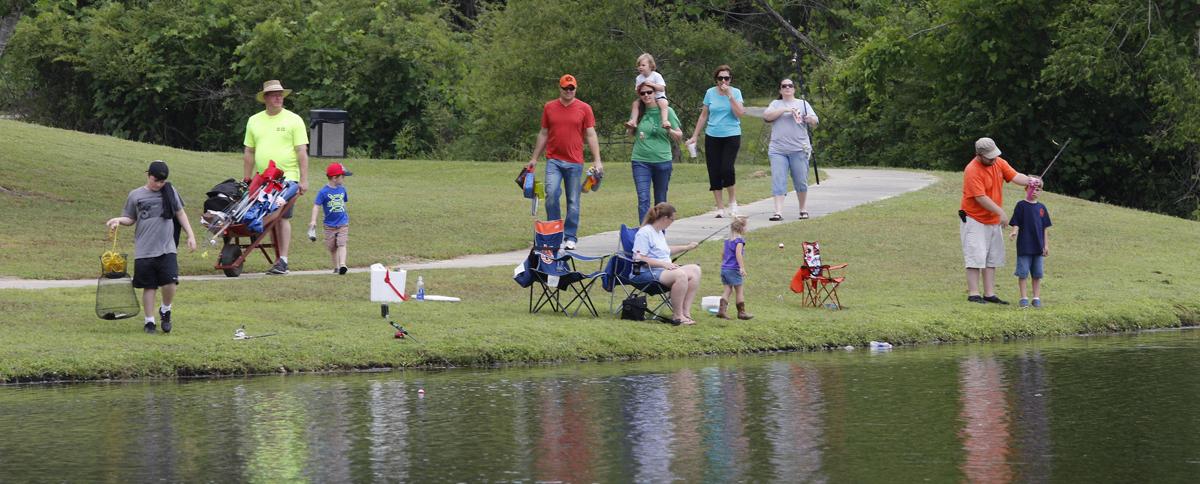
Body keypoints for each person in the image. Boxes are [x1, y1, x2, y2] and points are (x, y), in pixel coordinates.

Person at [106, 160, 197, 334]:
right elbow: (130, 218)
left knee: (170, 282)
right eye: (156, 181)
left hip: (166, 247)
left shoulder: (170, 192)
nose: (159, 185)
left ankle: (165, 309)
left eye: (162, 182)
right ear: (149, 176)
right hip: (144, 249)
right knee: (149, 286)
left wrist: (191, 235)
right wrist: (118, 220)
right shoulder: (135, 195)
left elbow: (180, 213)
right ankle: (149, 322)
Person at [526, 74, 605, 250]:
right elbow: (544, 133)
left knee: (573, 200)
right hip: (554, 160)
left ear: (575, 88)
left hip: (575, 162)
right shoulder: (549, 107)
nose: (569, 91)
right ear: (560, 88)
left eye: (572, 88)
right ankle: (555, 234)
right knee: (552, 194)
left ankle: (570, 236)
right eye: (566, 88)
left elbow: (591, 135)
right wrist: (534, 158)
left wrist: (597, 160)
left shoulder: (584, 108)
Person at [243, 79, 309, 275]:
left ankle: (283, 260)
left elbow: (301, 151)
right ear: (266, 98)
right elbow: (249, 151)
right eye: (274, 94)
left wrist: (304, 180)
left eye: (280, 94)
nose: (279, 97)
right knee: (264, 214)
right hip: (263, 179)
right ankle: (274, 254)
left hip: (287, 178)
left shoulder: (294, 120)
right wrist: (246, 178)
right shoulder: (254, 120)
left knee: (280, 215)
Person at [961, 137, 1035, 305]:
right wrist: (1000, 212)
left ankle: (989, 294)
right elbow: (980, 197)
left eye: (994, 156)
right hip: (974, 218)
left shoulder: (999, 162)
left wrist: (1031, 180)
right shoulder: (972, 170)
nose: (993, 159)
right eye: (989, 157)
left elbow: (1016, 176)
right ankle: (973, 294)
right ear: (978, 155)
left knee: (991, 257)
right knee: (975, 255)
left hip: (992, 220)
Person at [686, 65, 745, 218]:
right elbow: (704, 115)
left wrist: (730, 96)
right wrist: (695, 135)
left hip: (731, 134)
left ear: (730, 79)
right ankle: (719, 207)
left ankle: (732, 202)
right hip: (712, 135)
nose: (723, 81)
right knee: (714, 170)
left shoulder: (736, 92)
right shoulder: (710, 93)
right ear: (716, 80)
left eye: (726, 78)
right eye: (720, 78)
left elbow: (740, 114)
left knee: (727, 168)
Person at [632, 203, 702, 325]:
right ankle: (677, 316)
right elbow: (639, 258)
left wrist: (687, 247)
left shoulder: (659, 232)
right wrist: (663, 264)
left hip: (663, 271)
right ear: (665, 218)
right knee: (680, 275)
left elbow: (666, 251)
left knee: (695, 270)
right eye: (672, 219)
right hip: (645, 272)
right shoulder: (644, 233)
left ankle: (685, 312)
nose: (672, 222)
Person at [762, 78, 819, 221]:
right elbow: (767, 116)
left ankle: (803, 209)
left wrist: (808, 119)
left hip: (799, 148)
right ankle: (778, 212)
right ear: (780, 90)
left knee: (800, 180)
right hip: (778, 150)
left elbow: (815, 121)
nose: (787, 88)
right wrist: (785, 109)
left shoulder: (802, 103)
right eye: (784, 86)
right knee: (778, 179)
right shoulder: (776, 104)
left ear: (794, 89)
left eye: (790, 85)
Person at [629, 81, 683, 224]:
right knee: (643, 198)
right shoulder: (639, 111)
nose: (646, 95)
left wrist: (669, 130)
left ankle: (659, 234)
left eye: (649, 92)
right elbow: (631, 133)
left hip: (662, 161)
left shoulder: (667, 111)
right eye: (643, 93)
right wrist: (630, 127)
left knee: (660, 200)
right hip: (640, 160)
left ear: (655, 93)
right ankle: (644, 234)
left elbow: (679, 136)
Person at [1009, 177, 1051, 308]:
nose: (1034, 191)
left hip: (1038, 247)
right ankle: (1024, 298)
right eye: (1032, 188)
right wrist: (1014, 231)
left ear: (1041, 191)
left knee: (1037, 274)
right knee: (1023, 273)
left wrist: (1046, 245)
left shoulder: (1041, 208)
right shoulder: (1021, 205)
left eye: (1038, 189)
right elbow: (1016, 222)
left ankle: (1036, 297)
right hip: (1024, 246)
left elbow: (1045, 228)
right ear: (1026, 188)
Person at [309, 162, 353, 275]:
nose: (344, 178)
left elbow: (344, 203)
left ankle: (343, 264)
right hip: (329, 225)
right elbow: (316, 206)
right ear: (334, 178)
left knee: (342, 244)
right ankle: (336, 267)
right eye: (342, 176)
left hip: (343, 223)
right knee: (332, 247)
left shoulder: (342, 189)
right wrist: (313, 220)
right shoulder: (323, 192)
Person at [716, 216, 753, 320]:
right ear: (741, 228)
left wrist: (725, 263)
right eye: (746, 227)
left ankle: (721, 311)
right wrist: (742, 267)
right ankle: (741, 313)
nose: (746, 229)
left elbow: (723, 254)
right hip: (733, 269)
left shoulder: (727, 241)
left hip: (724, 268)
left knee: (727, 290)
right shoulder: (739, 241)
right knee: (739, 290)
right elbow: (738, 255)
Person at [625, 53, 672, 130]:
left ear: (650, 66)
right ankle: (633, 121)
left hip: (659, 97)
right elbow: (637, 91)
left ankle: (665, 121)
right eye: (639, 66)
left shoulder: (656, 76)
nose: (640, 67)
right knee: (635, 104)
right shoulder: (639, 78)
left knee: (664, 103)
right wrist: (641, 90)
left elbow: (662, 88)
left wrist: (652, 85)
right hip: (645, 98)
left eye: (643, 65)